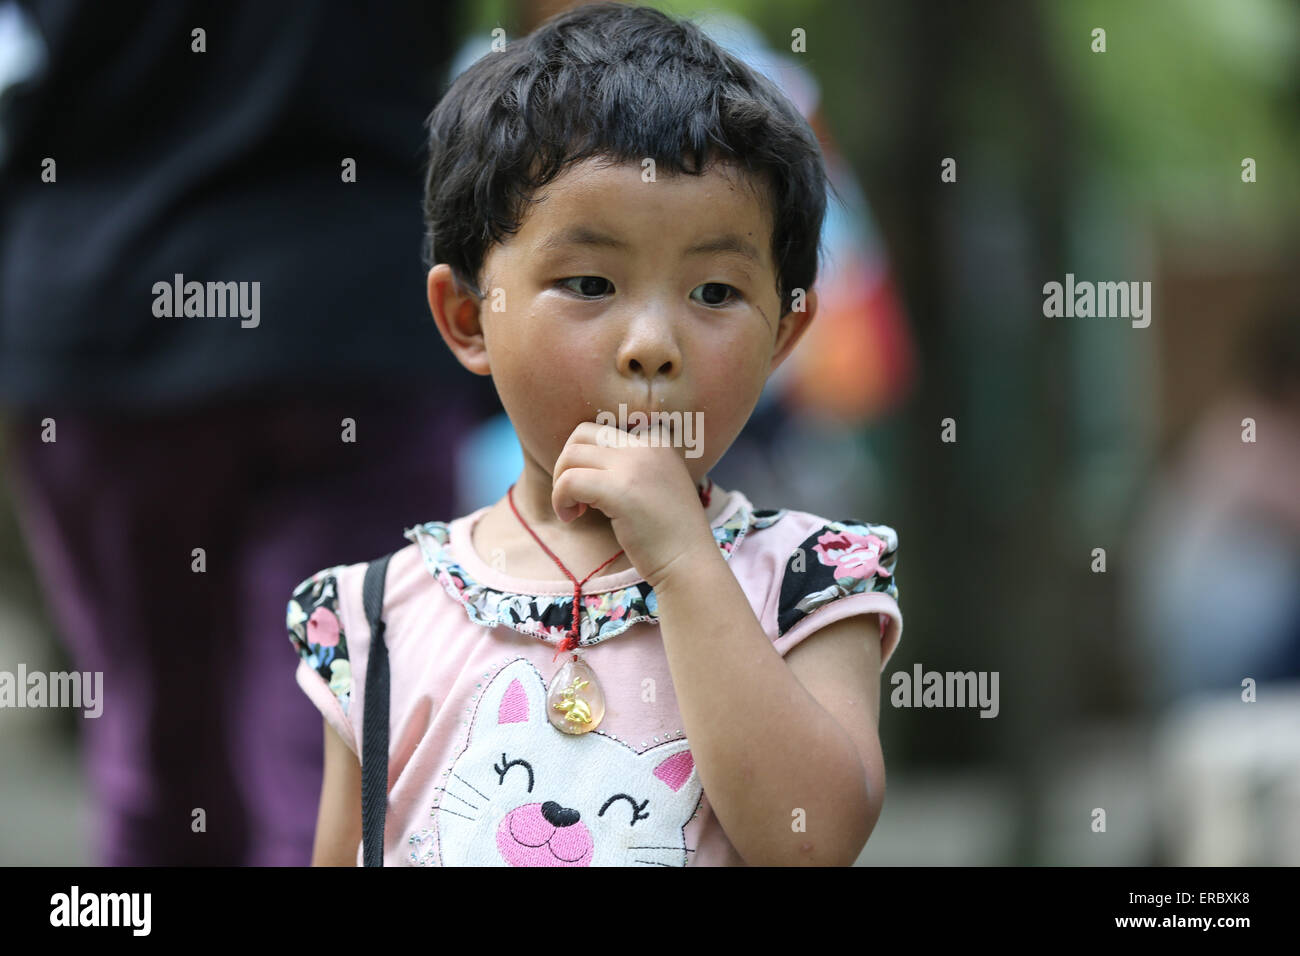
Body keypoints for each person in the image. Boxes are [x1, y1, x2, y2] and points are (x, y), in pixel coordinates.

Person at [288, 2, 905, 867]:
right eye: (587, 282)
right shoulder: (377, 616)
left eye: (717, 293)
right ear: (468, 317)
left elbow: (813, 841)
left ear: (783, 339)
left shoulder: (805, 588)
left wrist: (686, 562)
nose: (651, 344)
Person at [0, 0, 496, 865]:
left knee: (155, 754)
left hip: (105, 316)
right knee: (335, 750)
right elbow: (568, 47)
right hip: (352, 317)